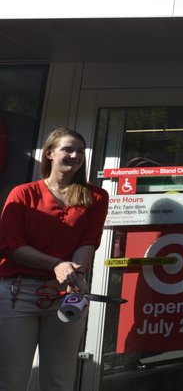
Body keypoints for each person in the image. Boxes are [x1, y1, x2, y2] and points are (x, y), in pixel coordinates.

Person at [0, 128, 109, 391]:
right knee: (11, 379)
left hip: (65, 294)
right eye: (68, 149)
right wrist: (56, 264)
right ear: (49, 153)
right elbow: (11, 246)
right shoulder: (23, 193)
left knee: (59, 381)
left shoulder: (96, 196)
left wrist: (77, 275)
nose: (75, 155)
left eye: (80, 151)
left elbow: (88, 242)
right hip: (18, 293)